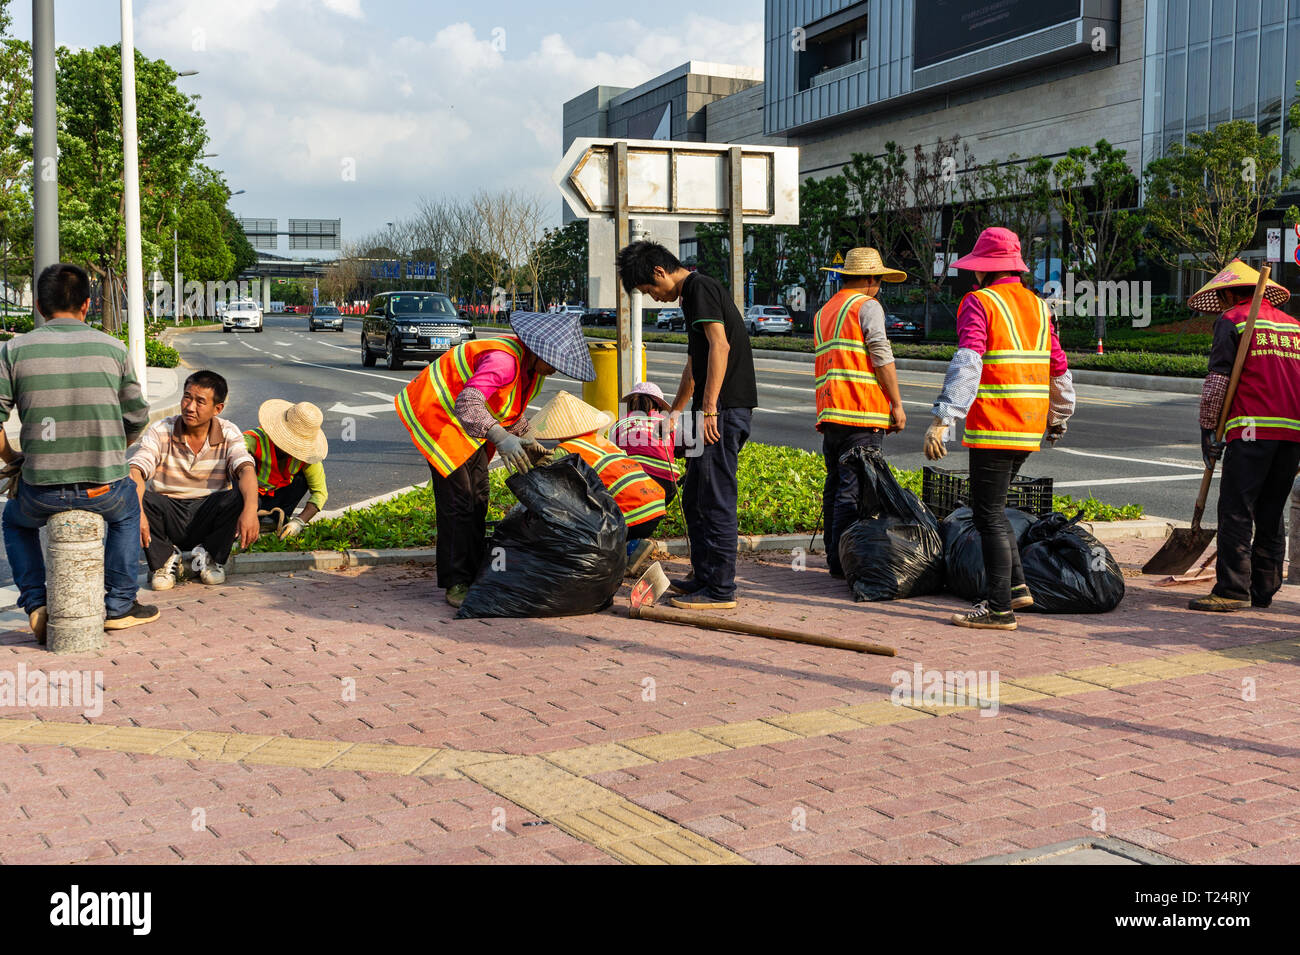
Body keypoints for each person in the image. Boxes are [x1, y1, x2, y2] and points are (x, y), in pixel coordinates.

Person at [923, 227, 1075, 631]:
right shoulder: (1041, 307)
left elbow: (968, 361)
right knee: (996, 510)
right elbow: (1057, 366)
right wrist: (1059, 416)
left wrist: (943, 419)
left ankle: (998, 609)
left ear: (982, 270)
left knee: (986, 513)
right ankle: (1017, 588)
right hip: (1029, 424)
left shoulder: (979, 301)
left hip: (996, 421)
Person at [0, 263, 158, 639]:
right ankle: (119, 605)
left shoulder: (14, 351)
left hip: (40, 491)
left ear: (39, 306)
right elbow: (137, 418)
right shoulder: (113, 349)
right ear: (87, 305)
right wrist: (110, 447)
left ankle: (37, 602)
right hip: (103, 489)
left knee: (13, 522)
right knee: (126, 513)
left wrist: (12, 459)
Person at [395, 310, 595, 608]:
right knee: (459, 500)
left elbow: (507, 409)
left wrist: (529, 440)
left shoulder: (532, 371)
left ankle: (473, 569)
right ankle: (456, 581)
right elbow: (468, 403)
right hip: (440, 415)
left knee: (479, 494)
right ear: (538, 350)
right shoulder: (504, 361)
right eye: (554, 362)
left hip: (469, 424)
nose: (555, 370)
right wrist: (501, 438)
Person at [616, 240, 757, 611]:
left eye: (649, 289)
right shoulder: (690, 297)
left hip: (723, 411)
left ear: (660, 272)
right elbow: (695, 363)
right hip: (706, 411)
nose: (652, 297)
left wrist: (709, 408)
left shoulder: (699, 287)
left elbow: (720, 347)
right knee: (694, 496)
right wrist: (675, 412)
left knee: (715, 498)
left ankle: (721, 590)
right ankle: (703, 576)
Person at [1185, 260, 1300, 612]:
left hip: (1251, 429)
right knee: (1271, 510)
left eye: (1224, 296)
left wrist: (1208, 428)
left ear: (1234, 293)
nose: (1221, 304)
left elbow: (1219, 381)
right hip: (1292, 433)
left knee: (1237, 508)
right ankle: (1264, 587)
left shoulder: (1234, 320)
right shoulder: (1295, 326)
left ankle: (1232, 590)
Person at [813, 247, 908, 579]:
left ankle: (833, 558)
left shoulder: (825, 311)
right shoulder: (866, 306)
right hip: (860, 411)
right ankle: (845, 563)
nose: (879, 286)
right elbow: (881, 353)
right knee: (852, 491)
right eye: (879, 280)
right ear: (870, 278)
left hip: (831, 413)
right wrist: (896, 404)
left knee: (836, 486)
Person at [128, 370, 260, 590]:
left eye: (200, 401)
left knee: (240, 497)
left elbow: (245, 468)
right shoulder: (162, 430)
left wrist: (251, 510)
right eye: (187, 397)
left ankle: (209, 557)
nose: (190, 407)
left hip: (207, 512)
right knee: (140, 496)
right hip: (169, 511)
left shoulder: (228, 433)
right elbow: (136, 469)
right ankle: (164, 561)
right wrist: (137, 510)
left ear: (217, 408)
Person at [531, 390, 667, 578]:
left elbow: (548, 481)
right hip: (655, 507)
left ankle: (623, 551)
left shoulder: (566, 449)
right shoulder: (602, 442)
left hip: (633, 516)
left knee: (577, 518)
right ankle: (633, 545)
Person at [243, 399, 329, 540]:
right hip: (248, 498)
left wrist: (299, 522)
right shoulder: (252, 441)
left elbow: (320, 494)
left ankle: (273, 522)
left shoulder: (307, 456)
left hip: (278, 502)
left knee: (301, 480)